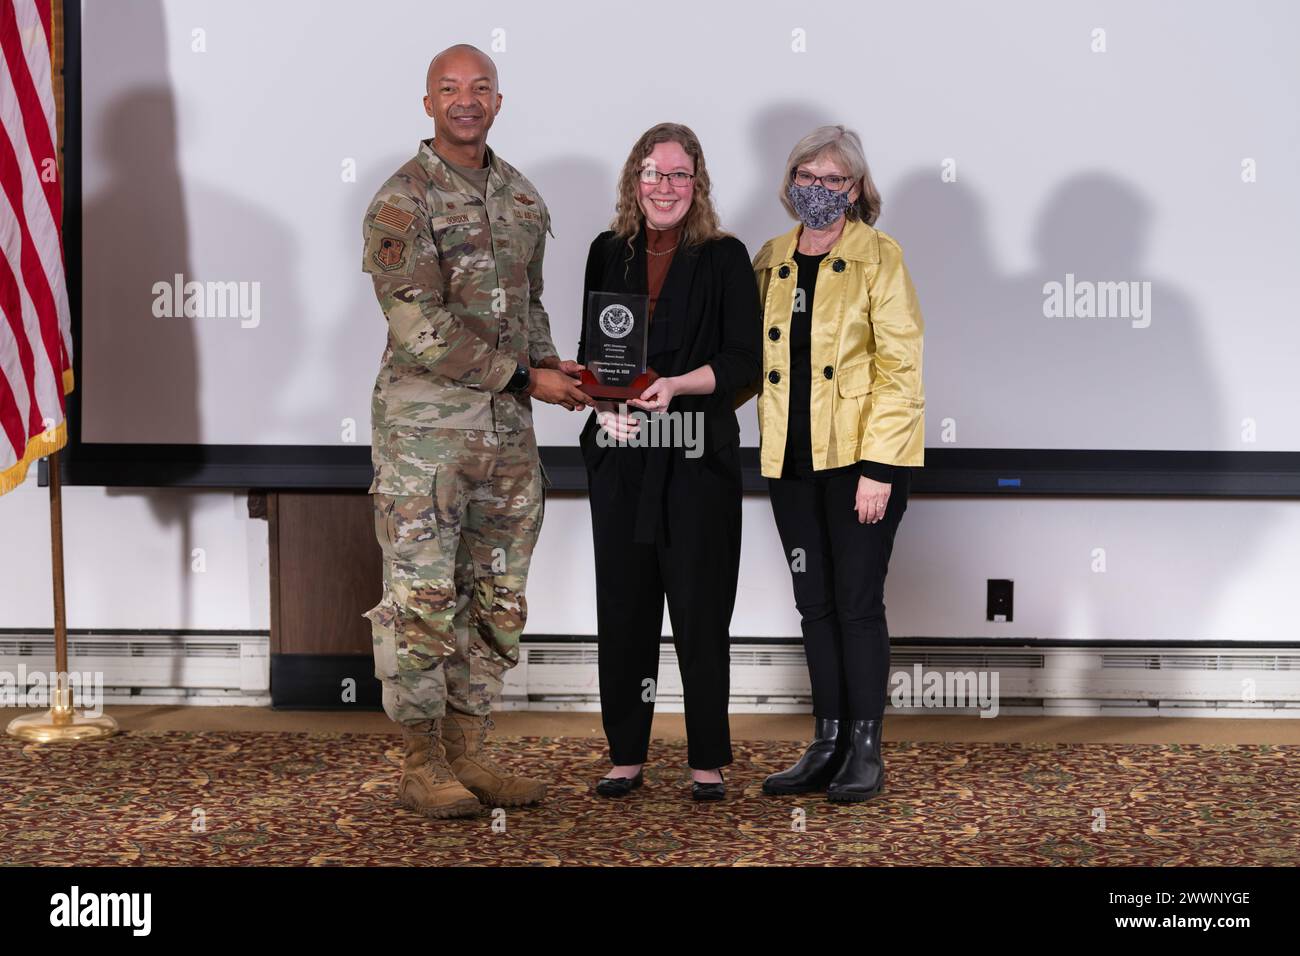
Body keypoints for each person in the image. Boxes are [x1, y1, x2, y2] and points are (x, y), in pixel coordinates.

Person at [360, 44, 592, 819]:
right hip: (426, 442)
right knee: (422, 598)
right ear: (427, 103)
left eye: (480, 88)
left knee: (495, 599)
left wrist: (560, 370)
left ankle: (468, 751)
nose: (466, 100)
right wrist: (528, 378)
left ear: (499, 100)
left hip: (507, 440)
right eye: (449, 88)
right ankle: (421, 764)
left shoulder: (521, 198)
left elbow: (528, 309)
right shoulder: (402, 202)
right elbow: (419, 329)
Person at [578, 123, 761, 801]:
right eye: (653, 174)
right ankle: (625, 754)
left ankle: (706, 760)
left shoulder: (725, 257)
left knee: (699, 608)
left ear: (698, 184)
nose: (665, 187)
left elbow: (747, 361)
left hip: (695, 456)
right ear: (635, 181)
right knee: (622, 610)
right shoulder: (607, 251)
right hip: (622, 455)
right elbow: (592, 352)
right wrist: (604, 406)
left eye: (680, 175)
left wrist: (678, 387)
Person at [745, 125, 924, 802]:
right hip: (788, 463)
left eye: (834, 180)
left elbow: (900, 368)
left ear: (856, 188)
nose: (819, 190)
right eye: (808, 177)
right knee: (813, 605)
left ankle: (864, 748)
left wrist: (880, 466)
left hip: (860, 463)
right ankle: (824, 741)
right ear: (792, 182)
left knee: (856, 604)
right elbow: (749, 361)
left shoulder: (880, 257)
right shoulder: (770, 257)